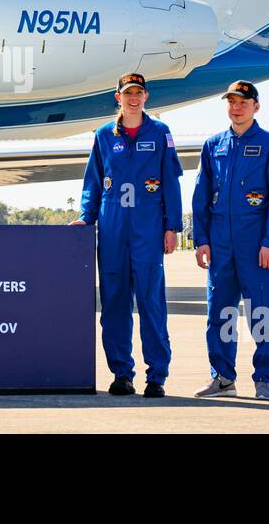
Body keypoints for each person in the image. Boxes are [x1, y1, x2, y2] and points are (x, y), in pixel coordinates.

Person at [71, 73, 183, 398]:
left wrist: (171, 227)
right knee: (115, 304)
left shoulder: (160, 133)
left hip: (148, 231)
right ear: (118, 98)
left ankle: (156, 376)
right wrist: (85, 218)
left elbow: (171, 183)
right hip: (112, 231)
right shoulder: (104, 135)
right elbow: (93, 181)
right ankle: (122, 373)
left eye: (139, 93)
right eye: (127, 93)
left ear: (146, 97)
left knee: (151, 303)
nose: (133, 98)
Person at [191, 80, 269, 399]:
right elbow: (201, 196)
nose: (236, 107)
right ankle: (222, 378)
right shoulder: (213, 145)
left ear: (256, 107)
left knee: (261, 312)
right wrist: (201, 239)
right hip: (220, 247)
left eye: (243, 102)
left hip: (255, 247)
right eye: (231, 102)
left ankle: (264, 378)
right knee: (219, 314)